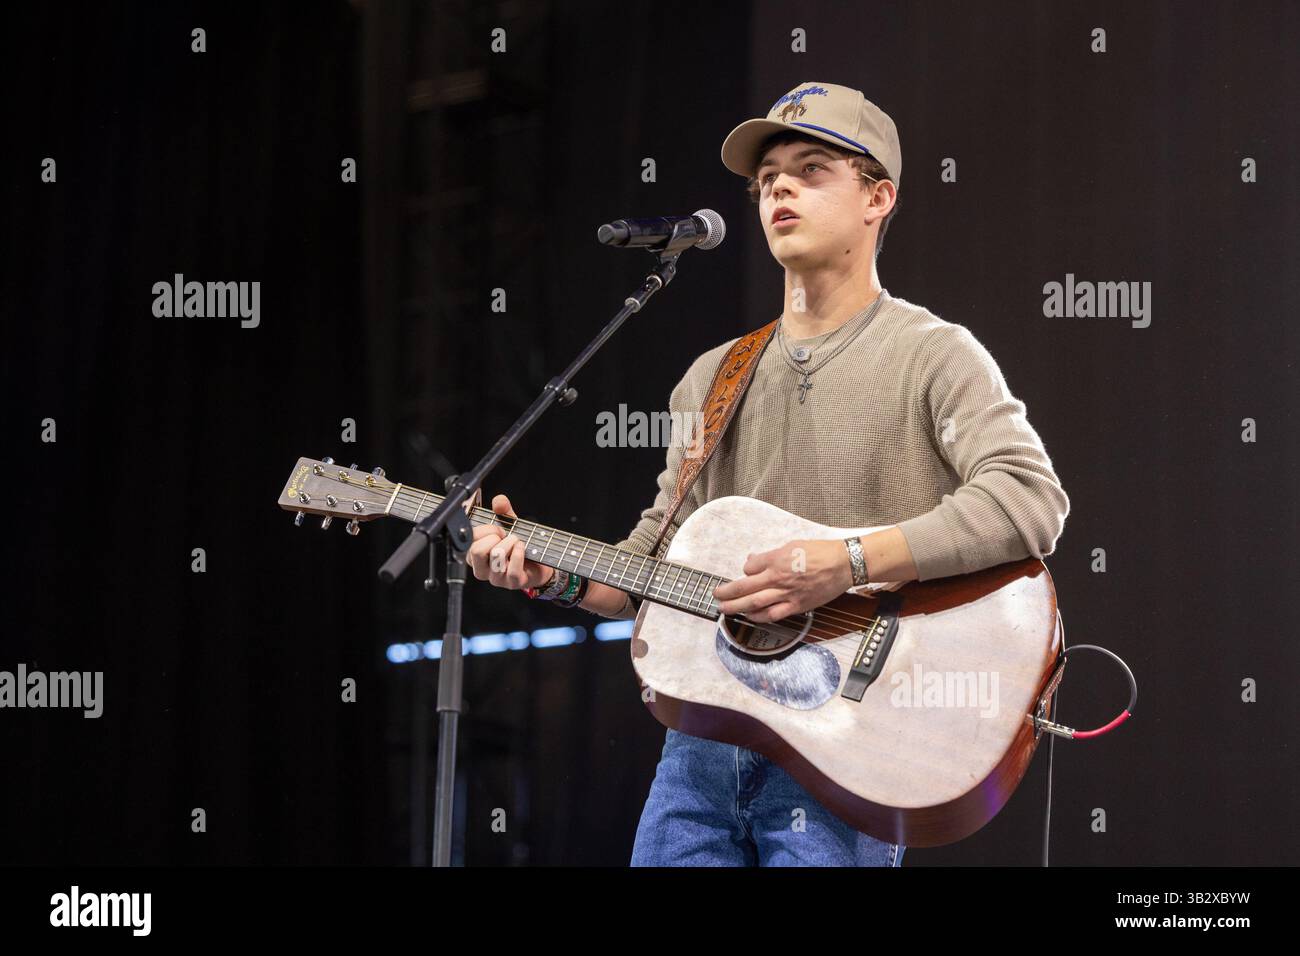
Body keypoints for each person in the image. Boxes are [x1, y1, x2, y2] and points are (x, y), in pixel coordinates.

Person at [464, 81, 1070, 866]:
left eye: (812, 169)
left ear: (877, 198)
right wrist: (556, 577)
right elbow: (653, 565)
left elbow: (1030, 500)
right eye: (768, 177)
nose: (779, 186)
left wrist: (845, 564)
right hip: (702, 751)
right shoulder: (710, 378)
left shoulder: (934, 354)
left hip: (846, 748)